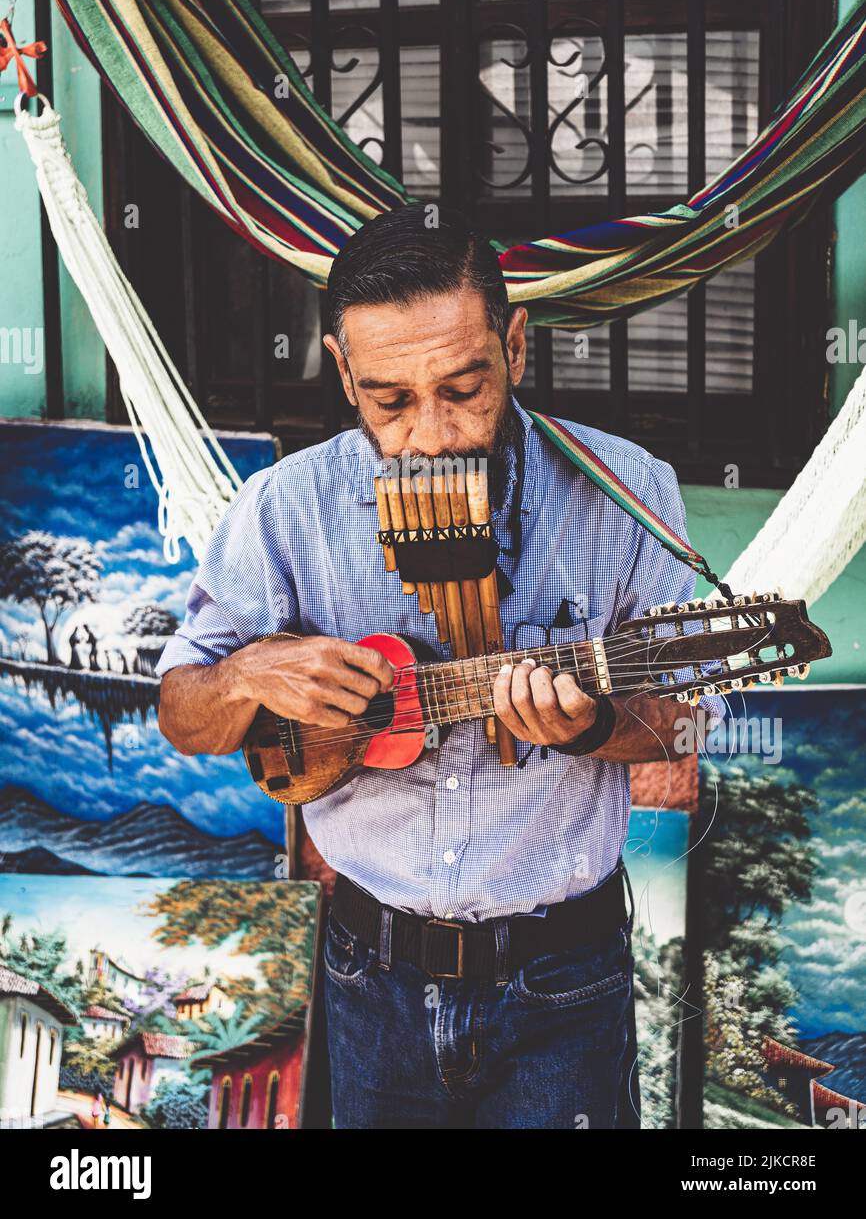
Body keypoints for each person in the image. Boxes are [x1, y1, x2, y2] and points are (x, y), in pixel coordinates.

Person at [156, 204, 724, 1130]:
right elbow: (183, 714)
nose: (431, 434)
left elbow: (696, 720)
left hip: (563, 979)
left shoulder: (630, 491)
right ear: (343, 372)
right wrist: (250, 674)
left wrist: (593, 727)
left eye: (465, 387)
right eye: (390, 399)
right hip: (367, 970)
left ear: (516, 345)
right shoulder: (284, 509)